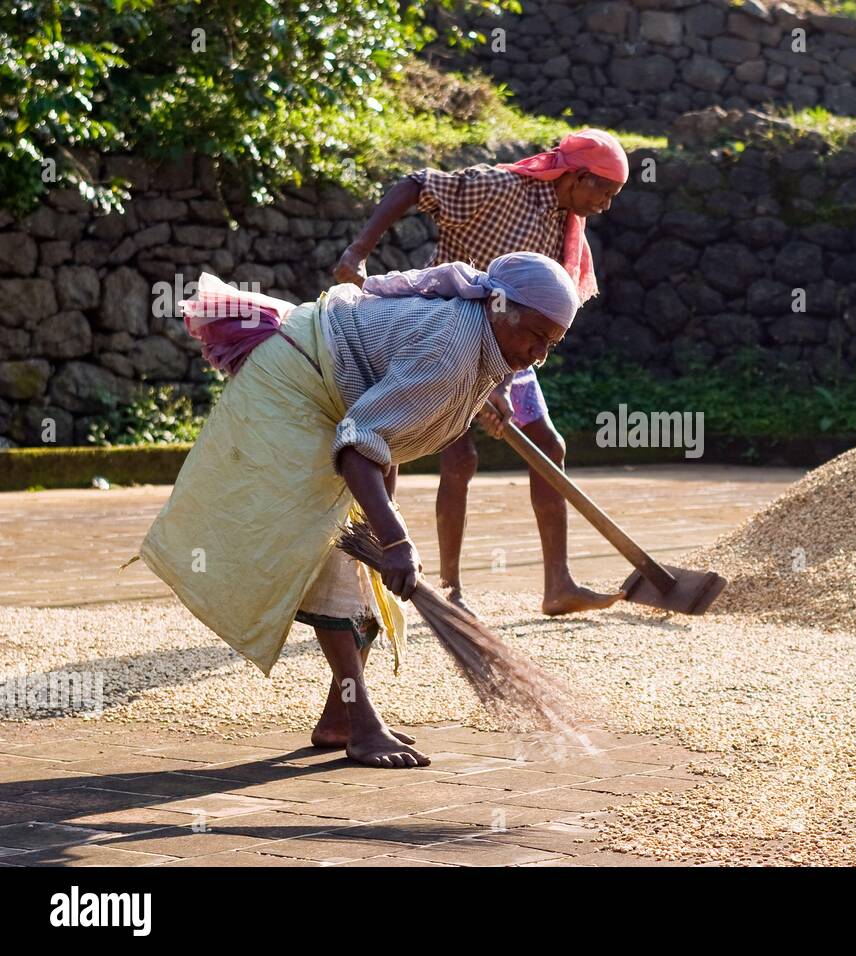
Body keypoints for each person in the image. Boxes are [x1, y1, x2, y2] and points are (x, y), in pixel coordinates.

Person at [134, 253, 580, 768]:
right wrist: (395, 540)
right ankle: (361, 723)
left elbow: (387, 411)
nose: (540, 354)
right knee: (337, 554)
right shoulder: (453, 346)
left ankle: (340, 716)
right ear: (503, 309)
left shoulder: (482, 341)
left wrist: (481, 399)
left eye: (553, 344)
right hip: (297, 384)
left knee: (365, 558)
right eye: (538, 336)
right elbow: (356, 446)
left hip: (337, 394)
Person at [334, 129, 628, 617]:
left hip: (514, 346)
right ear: (577, 177)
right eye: (605, 193)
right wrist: (358, 251)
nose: (606, 206)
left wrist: (501, 385)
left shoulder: (564, 224)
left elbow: (536, 315)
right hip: (448, 336)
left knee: (548, 446)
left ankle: (558, 584)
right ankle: (448, 588)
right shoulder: (498, 187)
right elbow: (415, 184)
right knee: (457, 452)